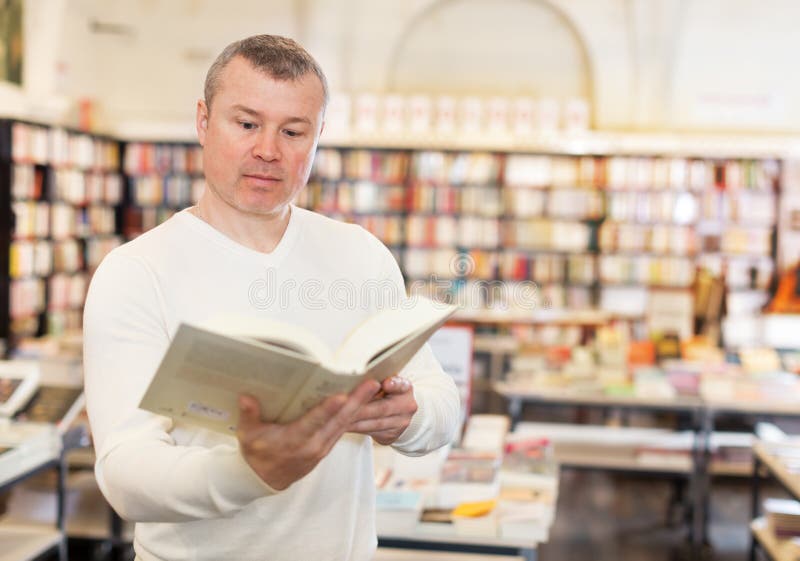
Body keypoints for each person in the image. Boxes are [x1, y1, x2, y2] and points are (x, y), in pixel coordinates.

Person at [83, 35, 460, 561]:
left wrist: (410, 417)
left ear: (318, 137)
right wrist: (252, 470)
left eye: (293, 131)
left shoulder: (359, 253)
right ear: (202, 121)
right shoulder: (136, 273)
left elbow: (444, 404)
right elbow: (125, 473)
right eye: (246, 123)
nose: (268, 149)